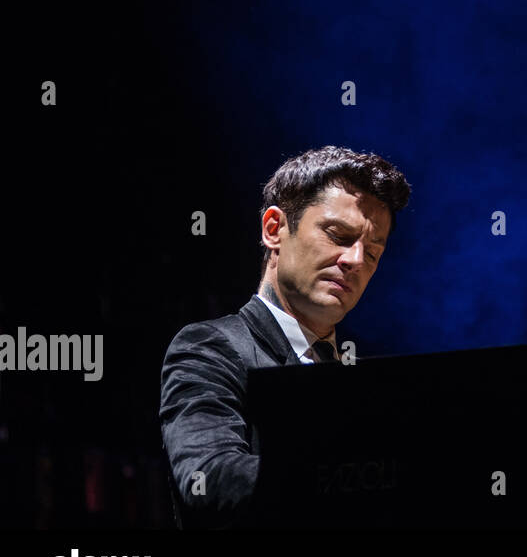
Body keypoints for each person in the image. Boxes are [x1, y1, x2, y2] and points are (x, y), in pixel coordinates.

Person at [159, 145, 410, 527]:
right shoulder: (209, 348)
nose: (356, 260)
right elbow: (209, 480)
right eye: (338, 235)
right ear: (274, 229)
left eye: (373, 253)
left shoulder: (365, 372)